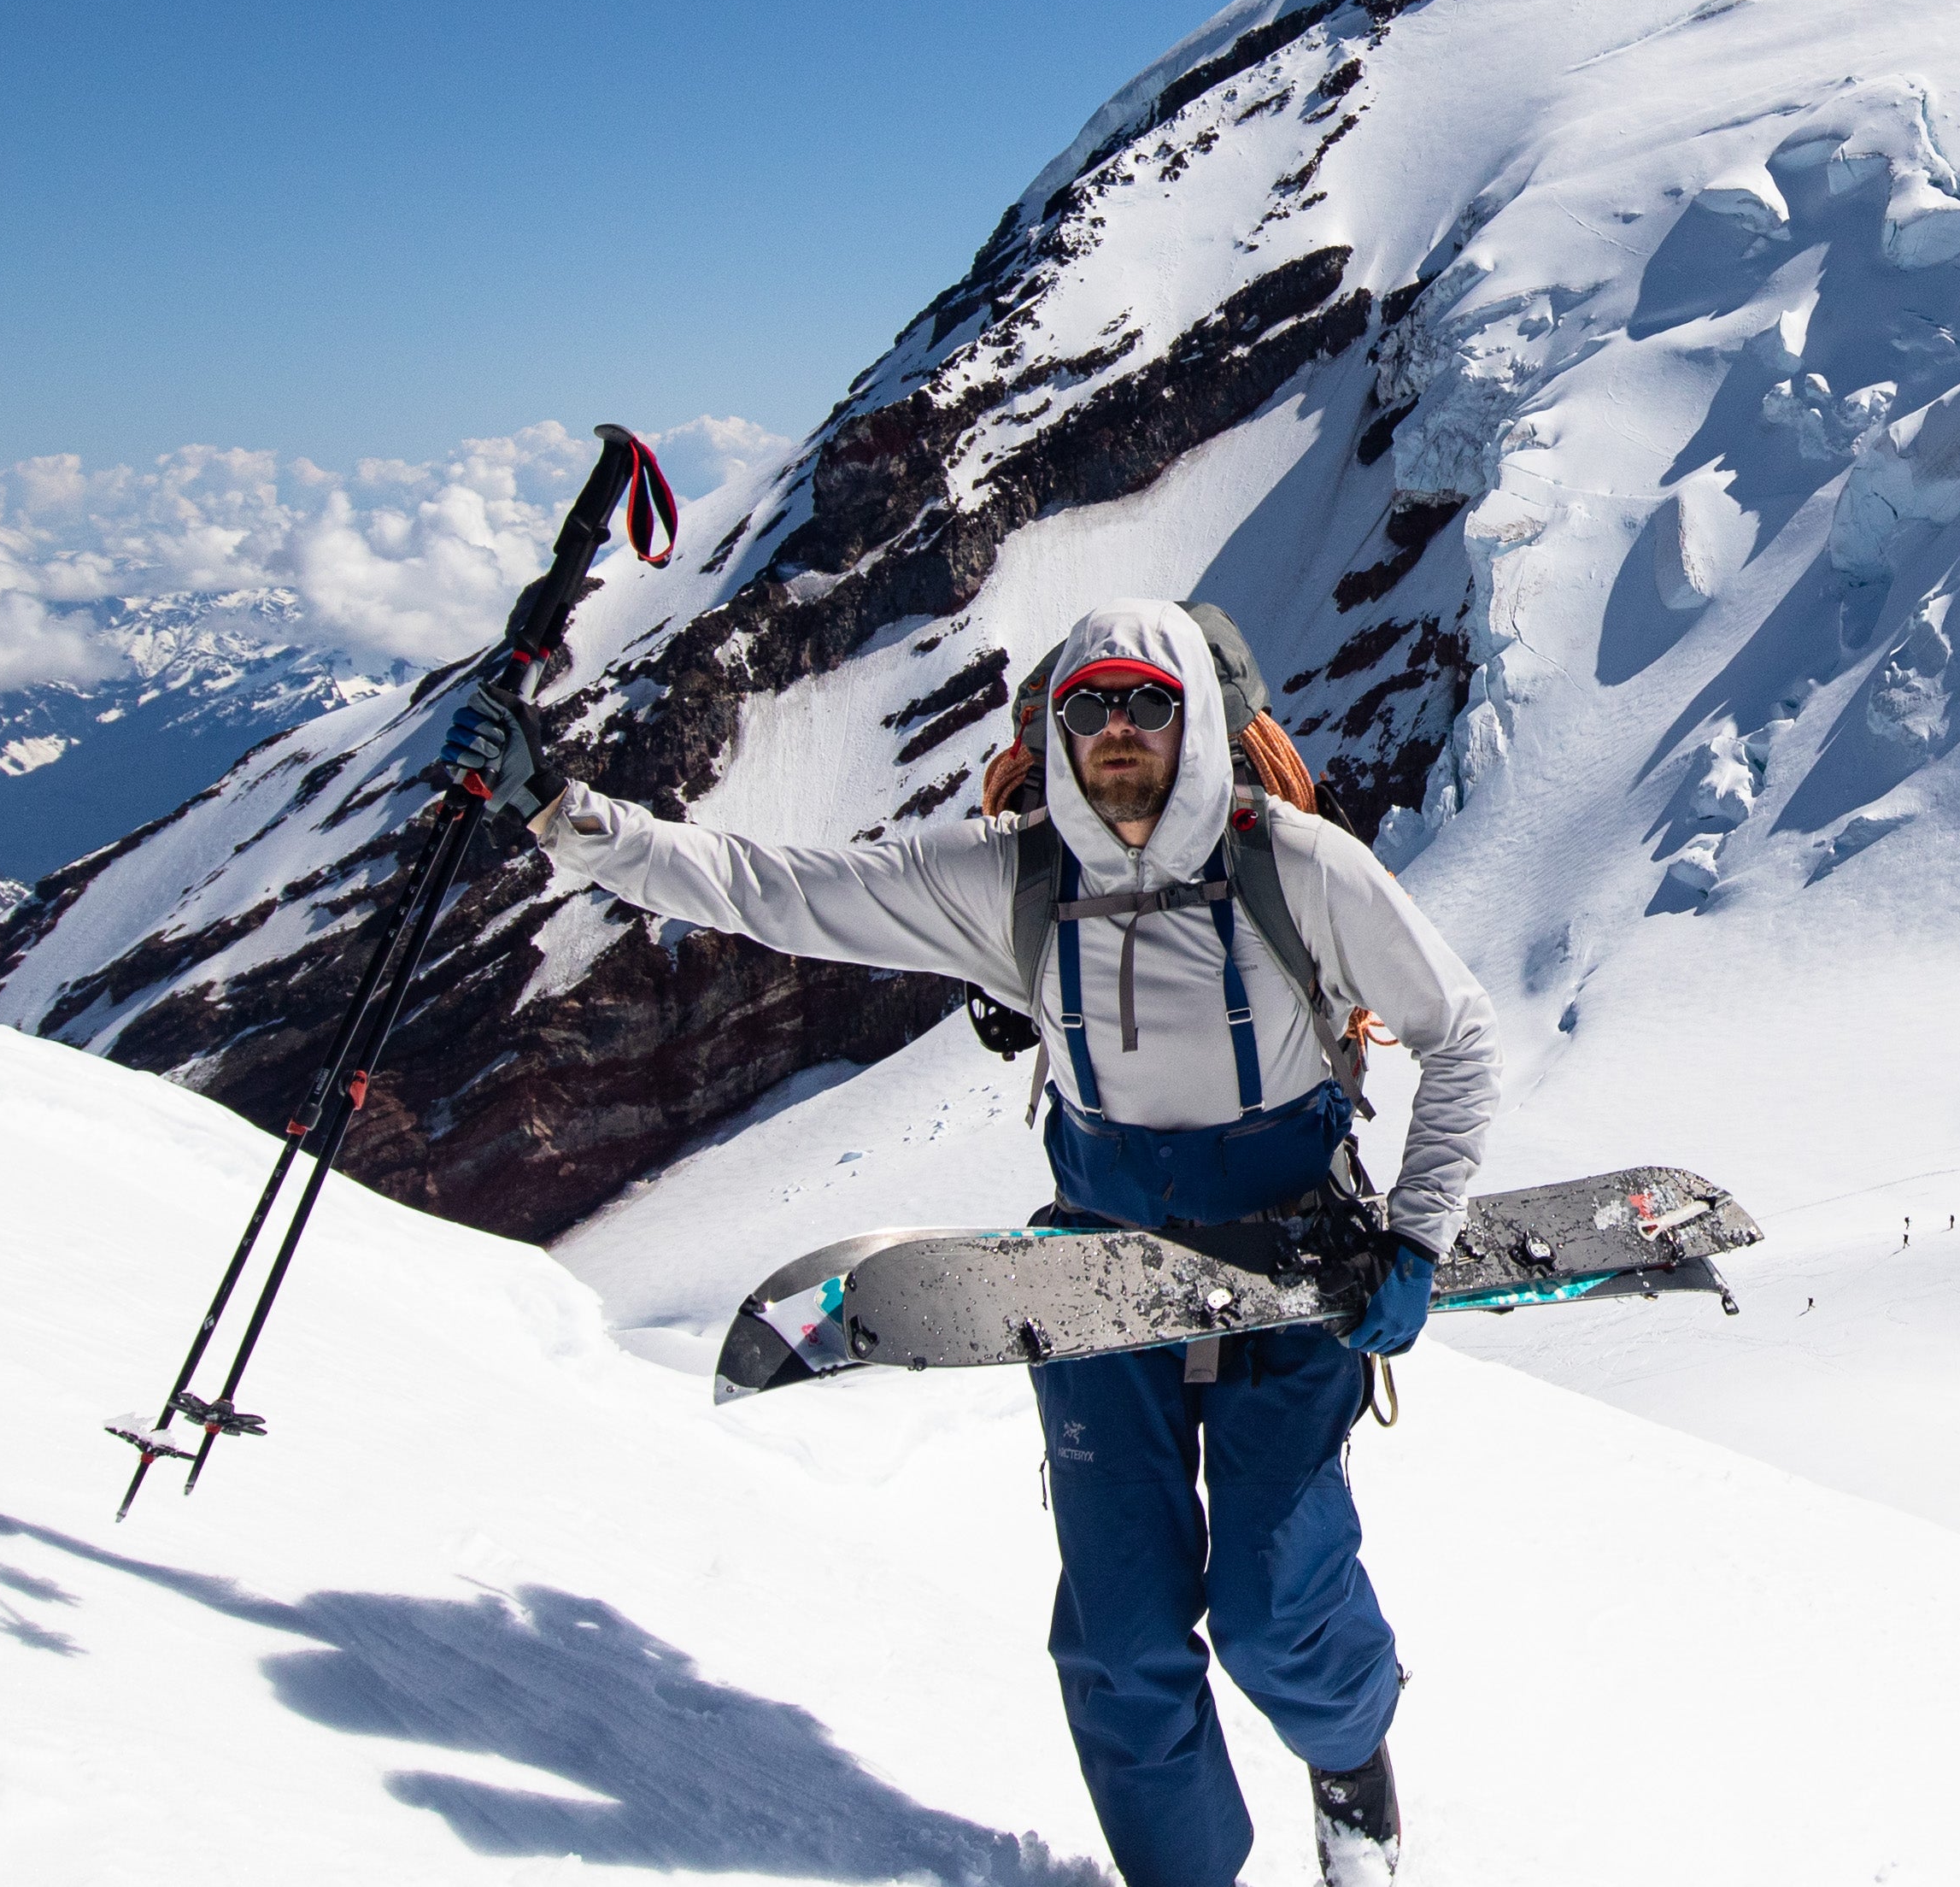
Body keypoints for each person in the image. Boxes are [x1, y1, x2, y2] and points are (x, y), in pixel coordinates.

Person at [442, 598, 1499, 1887]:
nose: (1117, 730)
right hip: (1095, 1277)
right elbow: (773, 887)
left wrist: (1417, 1239)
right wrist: (561, 812)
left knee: (1280, 1613)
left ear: (1199, 722)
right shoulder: (1013, 874)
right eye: (1089, 707)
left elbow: (1463, 1034)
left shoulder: (1295, 865)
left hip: (1293, 1273)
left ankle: (1351, 1786)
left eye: (1147, 704)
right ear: (1055, 732)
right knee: (1120, 1643)